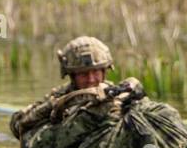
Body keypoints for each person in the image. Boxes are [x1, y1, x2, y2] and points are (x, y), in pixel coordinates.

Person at [9, 36, 146, 140]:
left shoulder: (118, 93)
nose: (91, 79)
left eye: (96, 72)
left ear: (104, 71)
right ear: (72, 76)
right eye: (83, 74)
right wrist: (52, 107)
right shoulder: (59, 97)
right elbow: (17, 124)